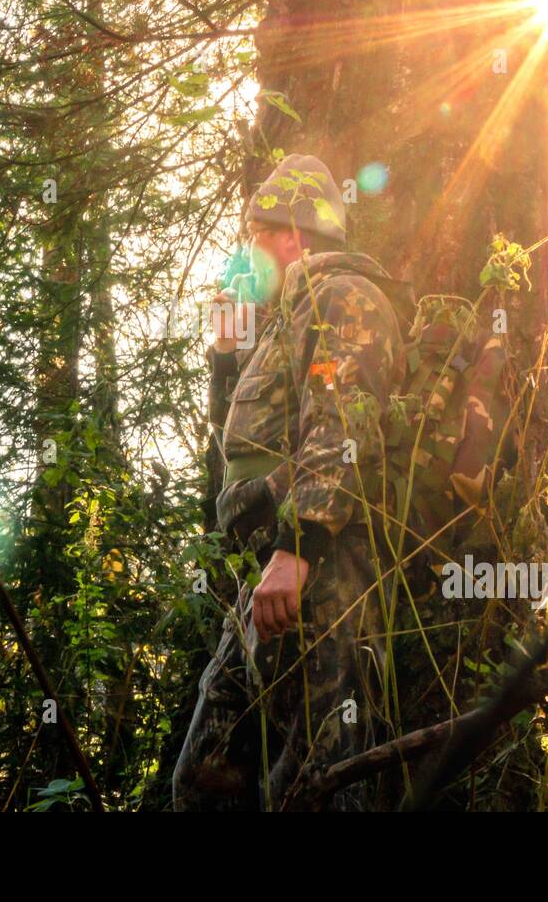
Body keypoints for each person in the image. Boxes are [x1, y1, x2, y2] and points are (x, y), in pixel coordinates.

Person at [172, 154, 406, 811]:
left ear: (294, 237)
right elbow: (242, 447)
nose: (247, 255)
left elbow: (340, 426)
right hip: (265, 571)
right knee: (205, 777)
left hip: (320, 572)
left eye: (257, 238)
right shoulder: (287, 317)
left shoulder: (342, 298)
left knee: (318, 784)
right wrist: (225, 356)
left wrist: (298, 548)